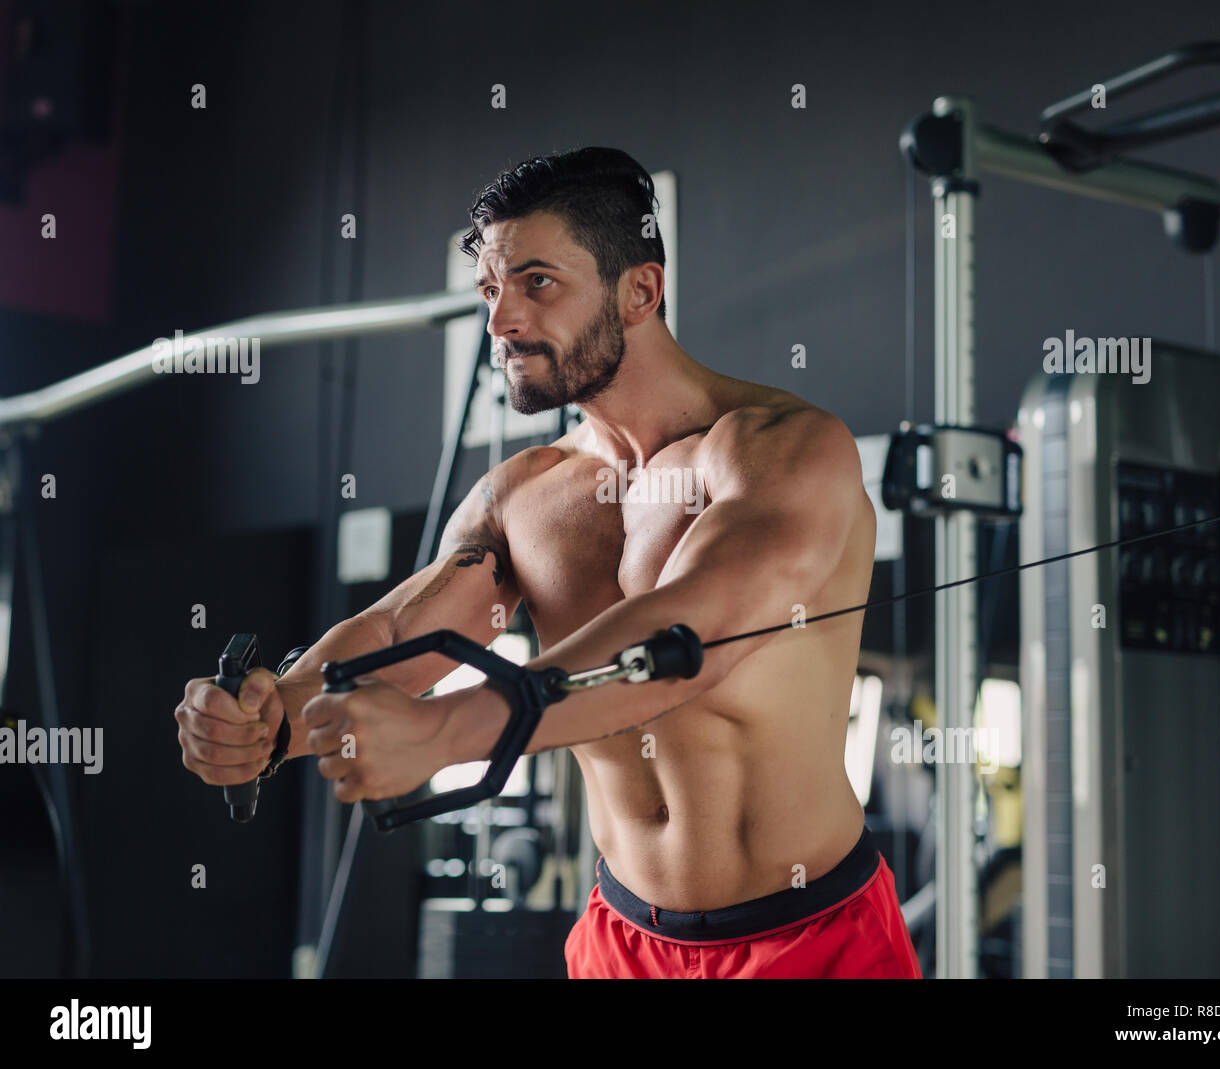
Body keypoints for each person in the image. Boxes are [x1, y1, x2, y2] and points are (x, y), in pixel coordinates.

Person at [175, 147, 922, 979]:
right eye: (492, 289)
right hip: (622, 942)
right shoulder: (525, 495)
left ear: (640, 289)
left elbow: (686, 634)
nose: (500, 322)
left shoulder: (785, 450)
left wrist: (446, 733)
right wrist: (276, 712)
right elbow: (399, 632)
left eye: (537, 282)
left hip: (810, 935)